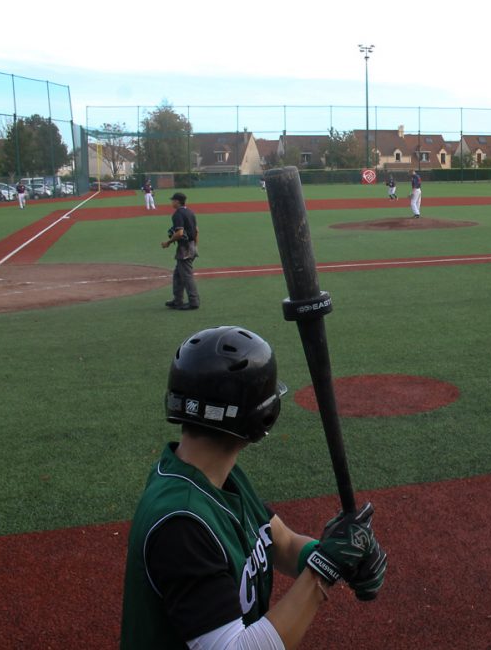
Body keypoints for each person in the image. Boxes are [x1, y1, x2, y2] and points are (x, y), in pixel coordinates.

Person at [120, 326, 387, 649]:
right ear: (262, 416)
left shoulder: (216, 477)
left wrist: (336, 555)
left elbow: (282, 542)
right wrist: (324, 569)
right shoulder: (183, 522)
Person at [162, 192, 201, 311]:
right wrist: (195, 246)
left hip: (185, 248)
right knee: (178, 275)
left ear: (177, 202)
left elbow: (179, 233)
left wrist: (168, 242)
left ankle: (193, 302)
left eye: (173, 200)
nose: (171, 202)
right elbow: (197, 230)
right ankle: (177, 300)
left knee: (187, 276)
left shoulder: (178, 214)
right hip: (191, 245)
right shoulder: (190, 212)